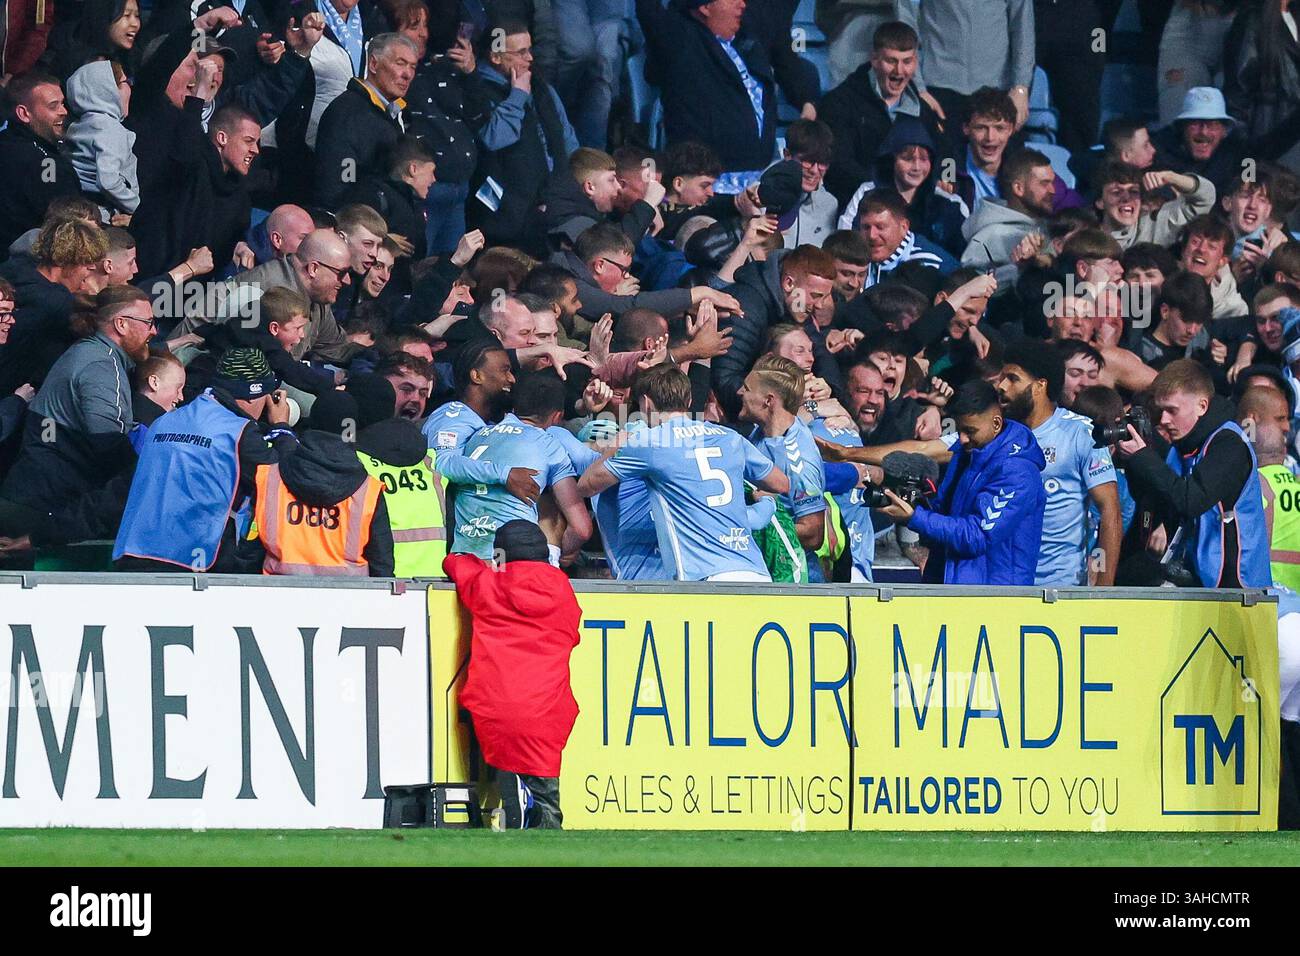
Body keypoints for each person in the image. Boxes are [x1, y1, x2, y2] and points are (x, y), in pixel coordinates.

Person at [577, 363, 791, 582]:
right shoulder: (730, 437)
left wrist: (613, 448)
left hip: (704, 579)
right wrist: (765, 502)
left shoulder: (649, 442)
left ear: (646, 403)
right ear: (688, 402)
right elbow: (781, 484)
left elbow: (587, 485)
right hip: (755, 573)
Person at [443, 519, 581, 829]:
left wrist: (482, 563)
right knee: (545, 789)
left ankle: (517, 796)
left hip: (494, 704)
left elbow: (455, 561)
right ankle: (534, 806)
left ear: (501, 555)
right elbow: (572, 634)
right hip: (548, 710)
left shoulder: (487, 583)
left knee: (506, 754)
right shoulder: (562, 589)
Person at [113, 346, 298, 572]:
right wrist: (281, 428)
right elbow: (287, 477)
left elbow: (123, 487)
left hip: (135, 554)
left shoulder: (164, 422)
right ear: (254, 395)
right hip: (194, 564)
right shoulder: (239, 432)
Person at [1118, 359, 1272, 589]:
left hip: (1237, 586)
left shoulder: (1230, 443)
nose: (1164, 420)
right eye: (1161, 411)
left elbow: (1191, 500)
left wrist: (1143, 457)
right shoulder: (1182, 447)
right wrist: (1132, 462)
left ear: (1202, 406)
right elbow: (1163, 502)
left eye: (1172, 410)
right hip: (1198, 580)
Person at [876, 378, 1046, 585]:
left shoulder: (1018, 472)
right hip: (950, 588)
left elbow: (977, 536)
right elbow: (944, 520)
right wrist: (913, 503)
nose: (963, 438)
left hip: (996, 600)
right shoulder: (966, 455)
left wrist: (915, 517)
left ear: (996, 423)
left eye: (970, 431)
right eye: (959, 430)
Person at [0, 285, 149, 517]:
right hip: (44, 506)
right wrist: (144, 480)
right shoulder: (102, 365)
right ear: (121, 324)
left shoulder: (86, 353)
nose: (154, 331)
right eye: (148, 322)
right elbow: (108, 443)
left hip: (31, 494)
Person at [996, 341, 1122, 586]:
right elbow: (928, 448)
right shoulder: (995, 431)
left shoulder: (1081, 433)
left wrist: (1105, 590)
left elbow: (1110, 511)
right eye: (1002, 377)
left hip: (1063, 587)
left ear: (1040, 385)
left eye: (1012, 378)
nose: (1001, 386)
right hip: (1006, 584)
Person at [447, 370, 592, 564]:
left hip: (463, 560)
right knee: (549, 502)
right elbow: (581, 529)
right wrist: (562, 553)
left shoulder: (477, 436)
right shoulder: (549, 444)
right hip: (514, 562)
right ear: (558, 417)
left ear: (514, 408)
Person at [254, 390, 395, 577]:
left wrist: (281, 428)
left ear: (312, 424)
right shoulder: (367, 489)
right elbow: (382, 565)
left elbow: (249, 553)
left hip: (281, 598)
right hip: (349, 601)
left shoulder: (271, 477)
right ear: (351, 431)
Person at [466, 18, 578, 249]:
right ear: (496, 56)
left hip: (553, 203)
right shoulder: (477, 90)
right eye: (521, 52)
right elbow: (496, 139)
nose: (530, 58)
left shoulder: (542, 88)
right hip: (506, 220)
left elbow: (567, 139)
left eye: (530, 50)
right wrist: (517, 96)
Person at [634, 0, 777, 175]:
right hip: (707, 181)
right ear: (705, 6)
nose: (742, 4)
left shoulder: (748, 41)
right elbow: (648, 10)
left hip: (760, 175)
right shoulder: (679, 39)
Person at [131, 103, 262, 281]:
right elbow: (184, 150)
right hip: (150, 280)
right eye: (248, 141)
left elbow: (233, 233)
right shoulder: (189, 169)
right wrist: (197, 98)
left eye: (257, 142)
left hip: (194, 295)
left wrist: (239, 245)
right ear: (222, 138)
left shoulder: (239, 195)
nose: (255, 150)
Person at [820, 20, 944, 206]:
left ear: (916, 62)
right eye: (891, 61)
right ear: (875, 59)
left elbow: (943, 156)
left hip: (913, 211)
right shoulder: (839, 104)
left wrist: (945, 179)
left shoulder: (922, 112)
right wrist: (889, 194)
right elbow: (840, 166)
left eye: (907, 62)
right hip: (859, 209)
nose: (899, 71)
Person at [739, 355, 827, 579]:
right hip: (766, 564)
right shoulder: (763, 431)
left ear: (768, 401)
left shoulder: (798, 460)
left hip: (793, 574)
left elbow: (813, 534)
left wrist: (751, 530)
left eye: (747, 388)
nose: (740, 392)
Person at [0, 218, 105, 394]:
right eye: (87, 265)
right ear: (68, 261)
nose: (90, 272)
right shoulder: (57, 304)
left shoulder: (14, 268)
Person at [314, 33, 419, 210]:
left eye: (413, 67)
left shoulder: (394, 113)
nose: (407, 74)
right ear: (373, 64)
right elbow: (341, 184)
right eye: (400, 63)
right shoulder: (347, 113)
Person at [0, 70, 82, 252]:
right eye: (53, 106)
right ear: (24, 113)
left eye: (62, 103)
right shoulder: (47, 163)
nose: (64, 111)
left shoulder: (6, 143)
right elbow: (66, 217)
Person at [960, 147, 1055, 287]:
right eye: (1044, 184)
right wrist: (1018, 268)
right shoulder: (989, 236)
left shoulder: (1048, 229)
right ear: (1018, 188)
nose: (1053, 191)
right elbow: (971, 291)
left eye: (1052, 183)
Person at [1242, 385, 1300, 590]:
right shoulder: (1244, 485)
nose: (1287, 428)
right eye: (1279, 419)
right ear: (1251, 422)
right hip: (1269, 604)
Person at [63, 58, 139, 216]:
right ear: (108, 89)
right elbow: (108, 181)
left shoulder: (78, 126)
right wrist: (139, 210)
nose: (130, 89)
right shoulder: (109, 128)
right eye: (126, 82)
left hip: (82, 212)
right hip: (104, 218)